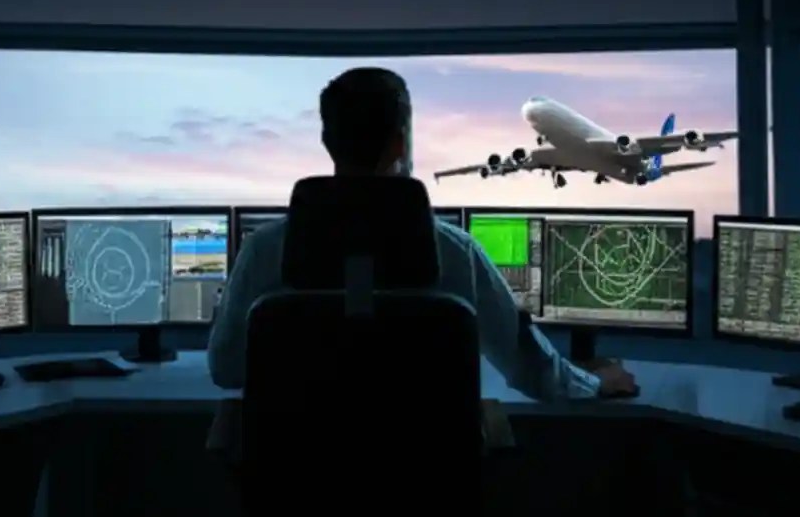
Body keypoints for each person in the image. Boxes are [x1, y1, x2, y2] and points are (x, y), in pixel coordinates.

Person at [208, 67, 636, 399]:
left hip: (297, 494)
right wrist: (596, 384)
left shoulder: (264, 250)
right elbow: (530, 368)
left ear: (326, 140)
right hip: (424, 491)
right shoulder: (454, 252)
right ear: (399, 144)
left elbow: (225, 370)